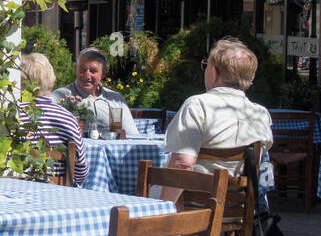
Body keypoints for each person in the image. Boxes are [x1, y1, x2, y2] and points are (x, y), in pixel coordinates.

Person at [163, 37, 273, 200]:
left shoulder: (198, 105)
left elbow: (183, 163)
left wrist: (164, 211)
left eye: (206, 65)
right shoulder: (261, 114)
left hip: (195, 208)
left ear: (214, 72)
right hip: (238, 208)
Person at [0, 52, 88, 186]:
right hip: (58, 197)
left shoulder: (4, 116)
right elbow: (80, 169)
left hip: (10, 194)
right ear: (52, 82)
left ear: (19, 84)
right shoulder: (68, 119)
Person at [51, 48, 139, 137]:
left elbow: (131, 135)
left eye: (93, 71)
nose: (87, 76)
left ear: (104, 73)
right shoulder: (61, 97)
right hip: (75, 150)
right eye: (83, 70)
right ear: (76, 69)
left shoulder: (115, 100)